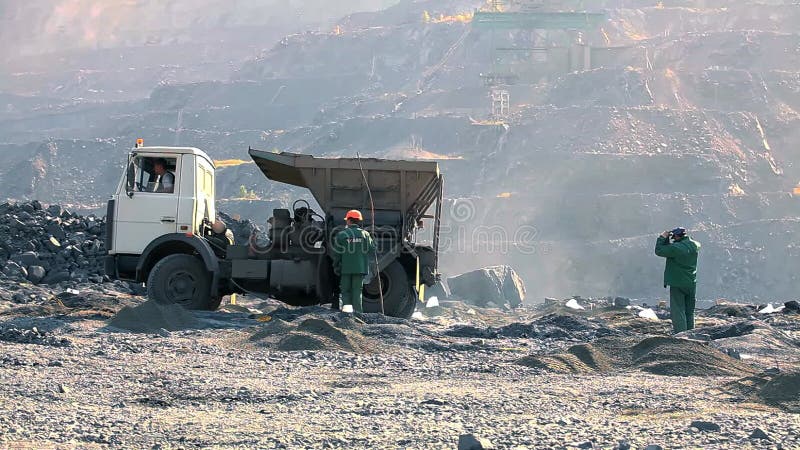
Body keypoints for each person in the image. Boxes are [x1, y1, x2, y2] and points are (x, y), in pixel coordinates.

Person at [655, 227, 701, 333]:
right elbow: (694, 243)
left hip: (677, 283)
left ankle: (681, 335)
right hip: (691, 282)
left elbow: (659, 250)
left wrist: (662, 238)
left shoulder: (676, 248)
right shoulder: (695, 245)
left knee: (678, 311)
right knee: (689, 311)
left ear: (676, 236)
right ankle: (691, 334)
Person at [331, 210, 375, 313]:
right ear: (359, 221)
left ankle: (347, 315)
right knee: (357, 292)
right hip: (360, 269)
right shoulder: (365, 234)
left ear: (349, 221)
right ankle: (358, 316)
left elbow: (336, 254)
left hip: (345, 269)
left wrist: (336, 266)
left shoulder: (342, 235)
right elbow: (372, 249)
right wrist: (373, 239)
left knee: (346, 291)